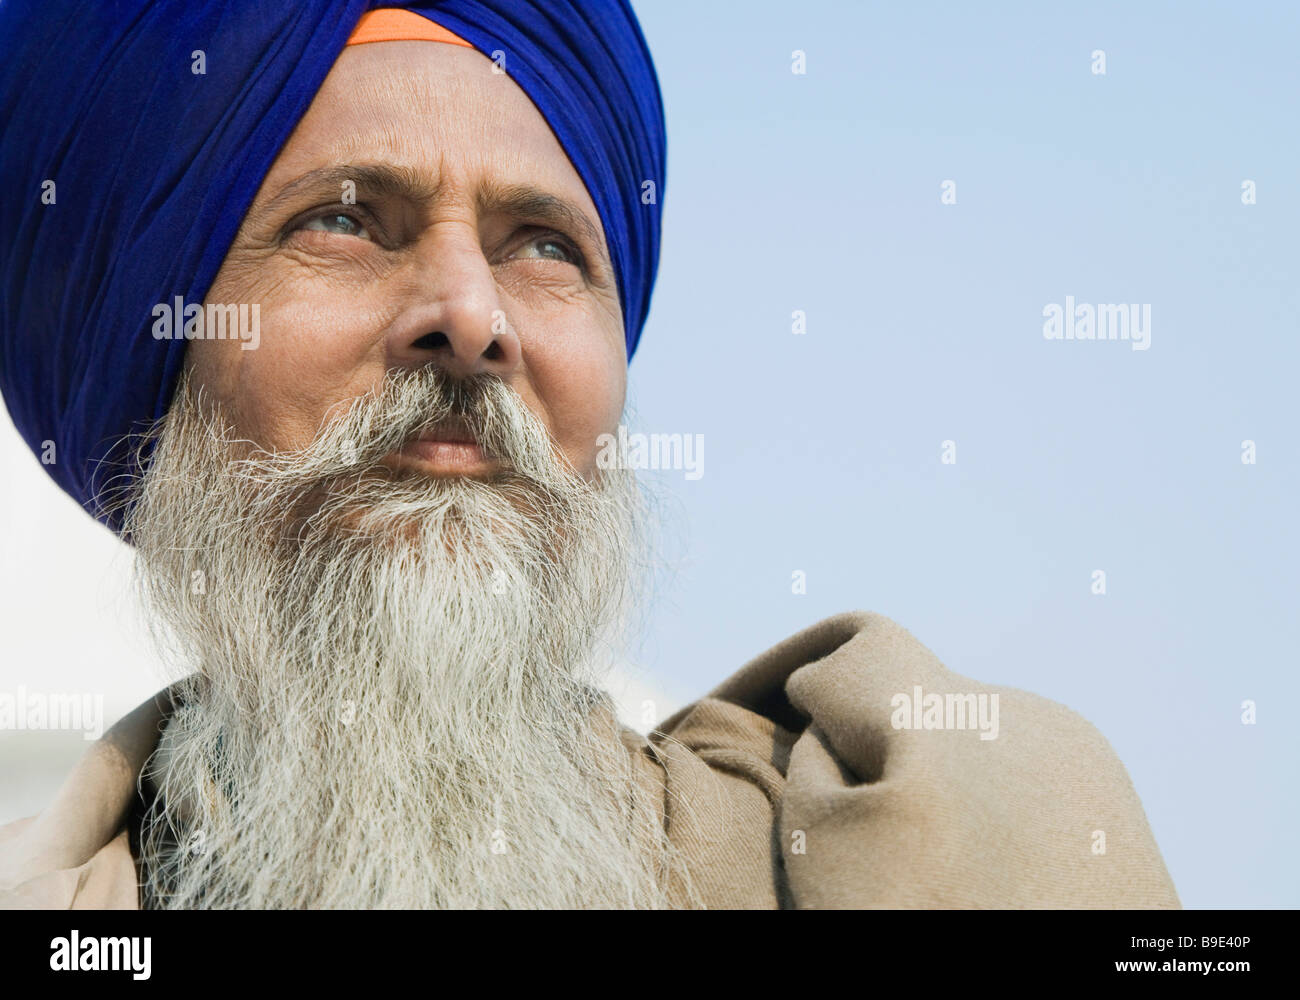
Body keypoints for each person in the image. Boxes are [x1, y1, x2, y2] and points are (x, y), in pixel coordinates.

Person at [0, 2, 1179, 909]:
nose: (470, 314)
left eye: (543, 245)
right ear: (155, 360)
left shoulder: (950, 840)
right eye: (345, 220)